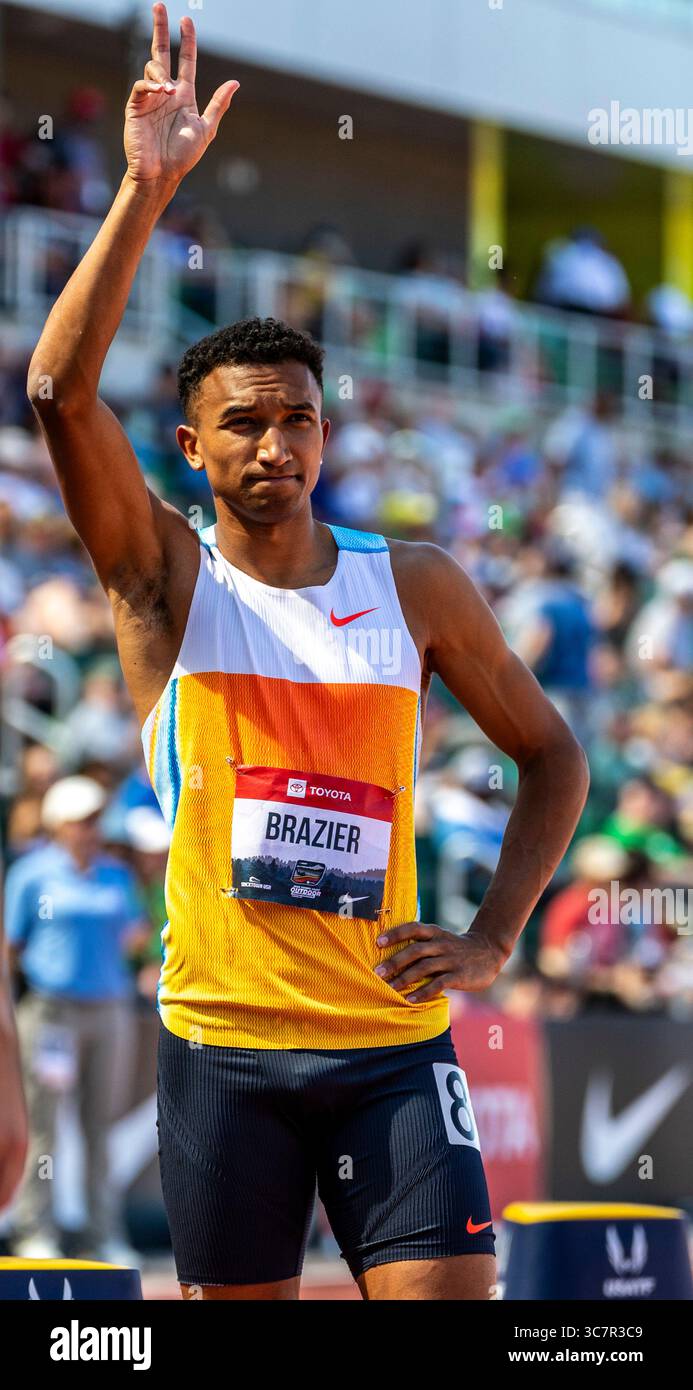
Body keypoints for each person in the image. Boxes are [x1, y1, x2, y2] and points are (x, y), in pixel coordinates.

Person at [22, 4, 589, 1301]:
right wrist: (146, 188)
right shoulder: (164, 580)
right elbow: (60, 392)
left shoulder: (420, 585)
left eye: (301, 420)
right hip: (222, 1053)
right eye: (245, 425)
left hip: (392, 1048)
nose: (276, 444)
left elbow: (552, 755)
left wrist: (494, 935)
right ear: (194, 450)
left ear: (329, 434)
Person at [4, 777, 145, 1260]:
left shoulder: (115, 875)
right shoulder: (32, 874)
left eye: (94, 819)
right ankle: (33, 1231)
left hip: (108, 1011)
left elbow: (134, 935)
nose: (90, 829)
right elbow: (12, 945)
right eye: (81, 820)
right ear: (59, 825)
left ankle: (102, 1234)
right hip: (53, 1014)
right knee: (42, 1126)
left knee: (97, 1127)